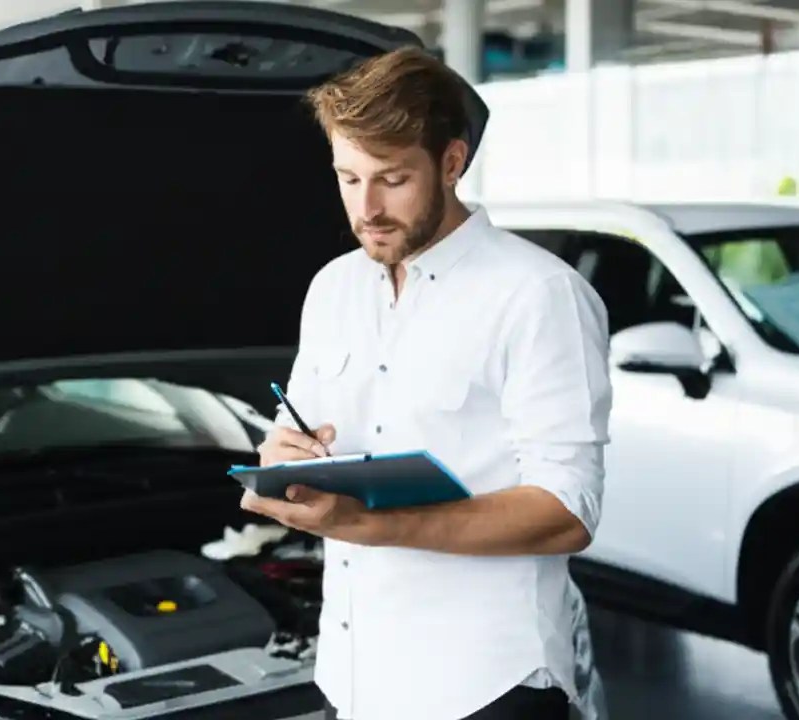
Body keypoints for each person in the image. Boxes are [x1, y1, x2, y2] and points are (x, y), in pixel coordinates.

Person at [239, 47, 613, 720]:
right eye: (348, 179)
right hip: (352, 679)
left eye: (393, 178)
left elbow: (567, 513)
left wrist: (370, 523)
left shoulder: (540, 294)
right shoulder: (332, 289)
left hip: (485, 685)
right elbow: (291, 434)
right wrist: (280, 462)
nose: (368, 208)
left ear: (452, 162)